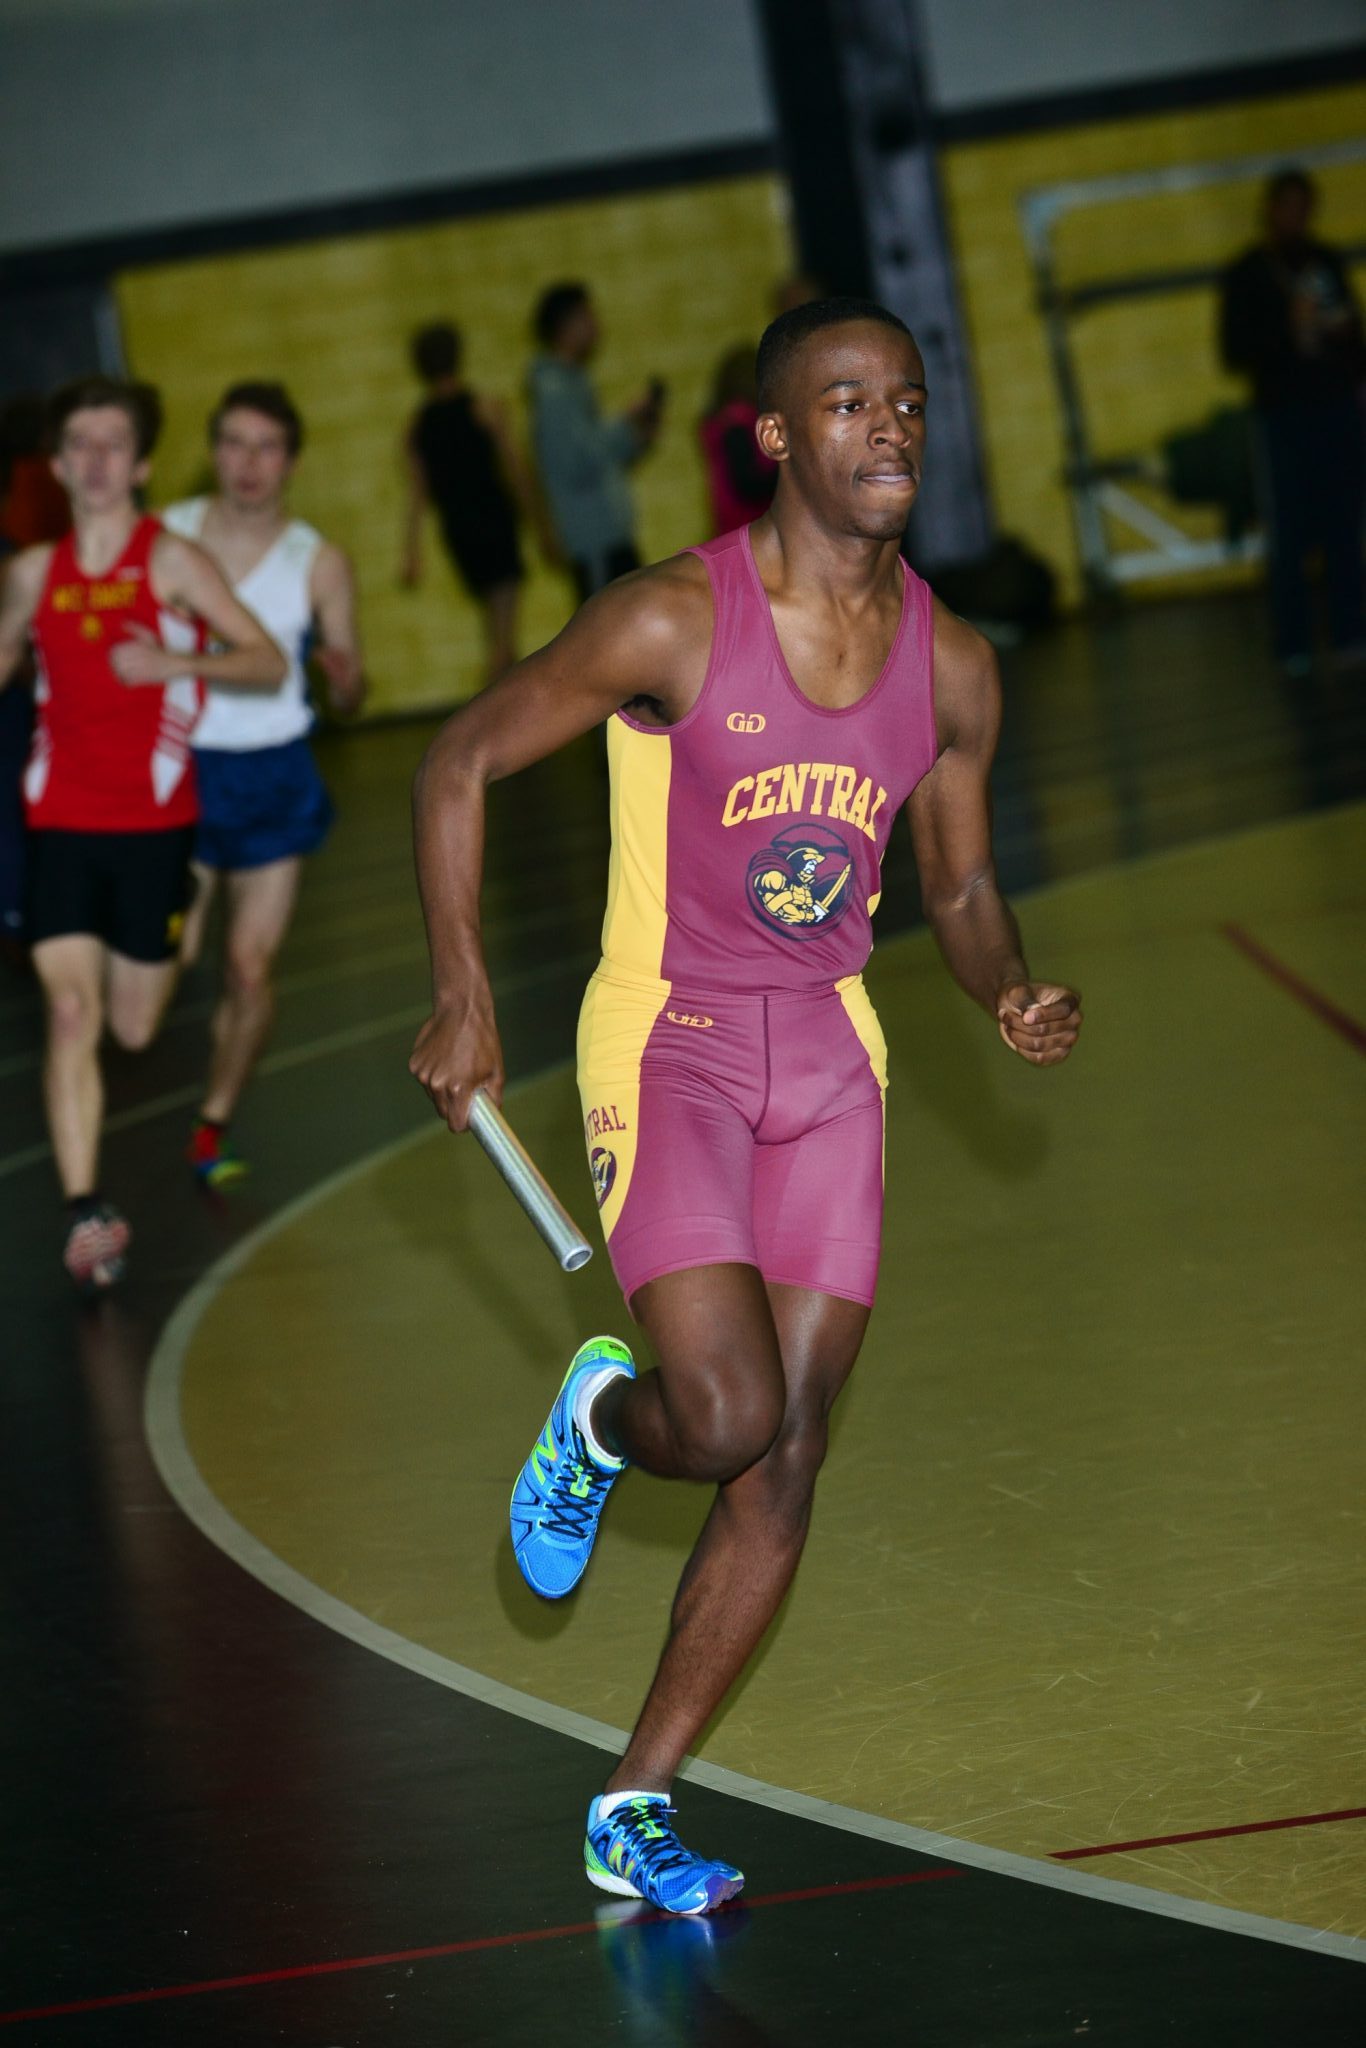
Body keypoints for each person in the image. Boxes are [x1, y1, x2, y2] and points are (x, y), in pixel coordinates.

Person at [409, 298, 1082, 1915]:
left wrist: (1004, 982)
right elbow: (455, 761)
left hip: (829, 1057)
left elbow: (962, 876)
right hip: (673, 1041)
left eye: (908, 403)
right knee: (715, 1416)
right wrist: (466, 991)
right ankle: (598, 1416)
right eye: (846, 404)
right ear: (774, 436)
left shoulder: (956, 661)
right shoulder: (667, 621)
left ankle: (633, 1799)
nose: (889, 430)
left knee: (786, 1454)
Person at [0, 375, 285, 1290]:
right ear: (56, 463)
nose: (94, 460)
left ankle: (184, 899)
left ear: (141, 462)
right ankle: (86, 1212)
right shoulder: (30, 574)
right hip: (60, 826)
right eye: (78, 444)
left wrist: (171, 658)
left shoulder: (172, 561)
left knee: (132, 1025)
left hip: (156, 831)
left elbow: (265, 657)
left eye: (111, 444)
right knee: (71, 1012)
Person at [163, 381, 364, 1187]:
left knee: (248, 969)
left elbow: (351, 693)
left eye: (267, 447)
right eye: (235, 444)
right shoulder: (168, 535)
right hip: (179, 768)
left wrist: (344, 679)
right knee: (167, 955)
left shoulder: (316, 561)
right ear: (213, 451)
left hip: (274, 773)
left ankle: (213, 1124)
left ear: (291, 459)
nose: (249, 463)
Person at [1220, 167, 1366, 675]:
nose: (1296, 217)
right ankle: (1294, 642)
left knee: (1344, 521)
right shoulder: (1248, 273)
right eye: (1288, 206)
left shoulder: (1324, 260)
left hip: (1335, 408)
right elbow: (1234, 350)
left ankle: (1351, 630)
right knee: (1288, 526)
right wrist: (1288, 330)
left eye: (1304, 207)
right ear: (1270, 210)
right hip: (1282, 415)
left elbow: (1354, 335)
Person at [400, 322, 552, 685]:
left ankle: (503, 723)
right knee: (503, 638)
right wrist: (542, 525)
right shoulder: (485, 408)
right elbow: (516, 471)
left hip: (460, 532)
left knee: (498, 633)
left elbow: (417, 495)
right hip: (495, 524)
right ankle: (493, 729)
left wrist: (411, 551)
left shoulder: (418, 425)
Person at [528, 282, 664, 604]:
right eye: (588, 316)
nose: (596, 325)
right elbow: (578, 460)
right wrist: (626, 425)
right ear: (567, 324)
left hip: (606, 533)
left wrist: (635, 436)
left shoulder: (573, 382)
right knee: (611, 637)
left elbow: (593, 452)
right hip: (593, 539)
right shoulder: (554, 390)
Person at [698, 343, 778, 535]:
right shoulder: (739, 419)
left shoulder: (721, 422)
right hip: (751, 525)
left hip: (733, 524)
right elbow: (747, 481)